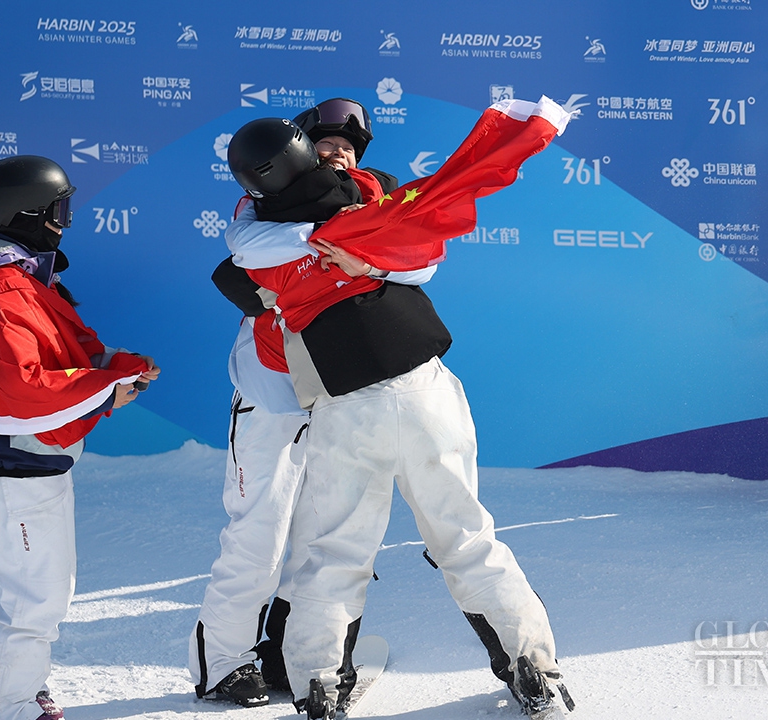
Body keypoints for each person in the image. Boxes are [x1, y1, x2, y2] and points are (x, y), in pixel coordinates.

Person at [224, 98, 576, 720]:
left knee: (336, 554)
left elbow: (241, 259)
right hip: (421, 387)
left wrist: (339, 247)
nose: (338, 155)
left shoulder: (256, 238)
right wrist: (364, 253)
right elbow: (435, 219)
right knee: (466, 537)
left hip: (342, 406)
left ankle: (318, 684)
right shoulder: (367, 209)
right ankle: (533, 668)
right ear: (308, 156)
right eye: (325, 148)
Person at [189, 98, 435, 708]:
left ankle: (288, 653)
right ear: (297, 150)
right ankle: (224, 663)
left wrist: (364, 249)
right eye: (325, 142)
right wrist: (331, 242)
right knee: (259, 534)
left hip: (337, 391)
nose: (338, 152)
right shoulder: (265, 204)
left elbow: (420, 262)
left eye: (349, 146)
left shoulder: (375, 197)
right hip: (272, 392)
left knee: (321, 536)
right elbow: (240, 255)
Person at [0, 155, 161, 720]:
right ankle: (6, 707)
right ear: (27, 213)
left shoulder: (26, 280)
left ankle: (21, 691)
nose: (65, 223)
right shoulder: (1, 291)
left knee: (45, 591)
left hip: (35, 465)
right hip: (15, 468)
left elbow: (66, 350)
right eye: (59, 210)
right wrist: (106, 389)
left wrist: (116, 366)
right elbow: (19, 389)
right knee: (30, 597)